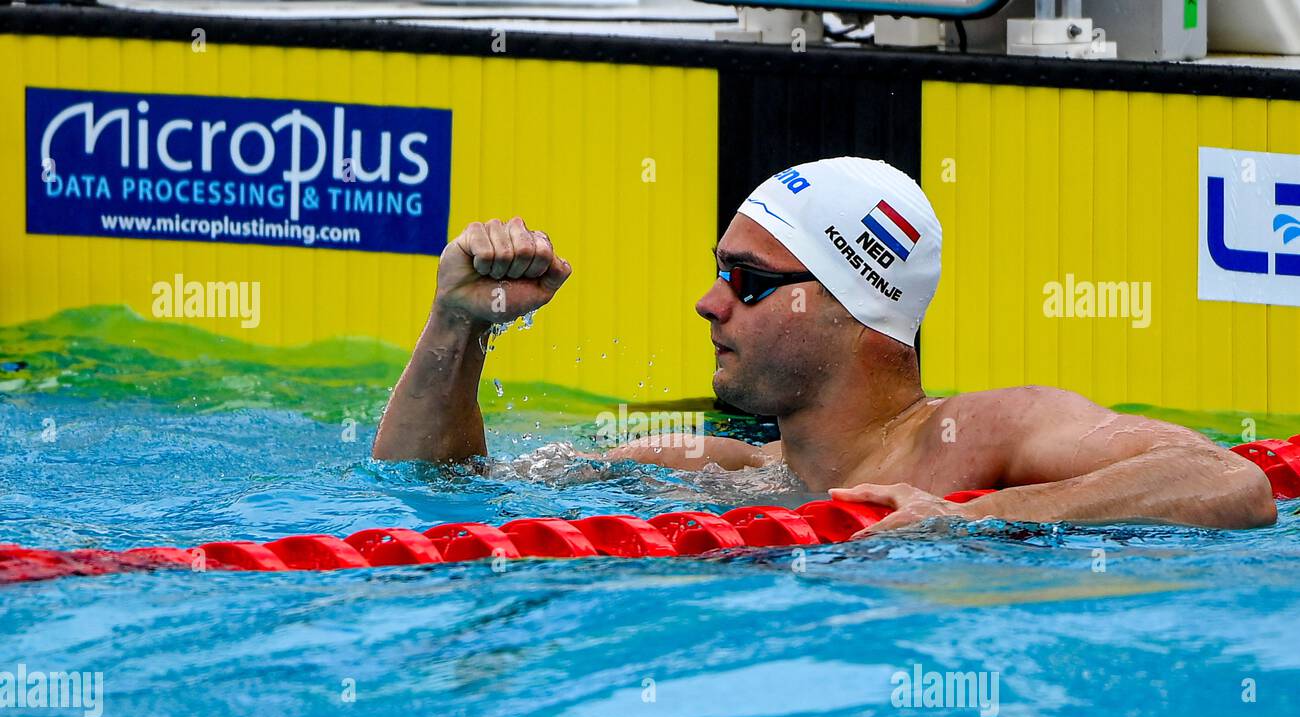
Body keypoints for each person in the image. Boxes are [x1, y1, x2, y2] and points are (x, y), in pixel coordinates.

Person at [373, 156, 1274, 533]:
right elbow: (429, 498)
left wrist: (973, 522)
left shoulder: (989, 436)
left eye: (749, 281)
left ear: (856, 308)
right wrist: (458, 328)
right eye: (720, 273)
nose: (708, 303)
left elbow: (1229, 479)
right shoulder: (700, 469)